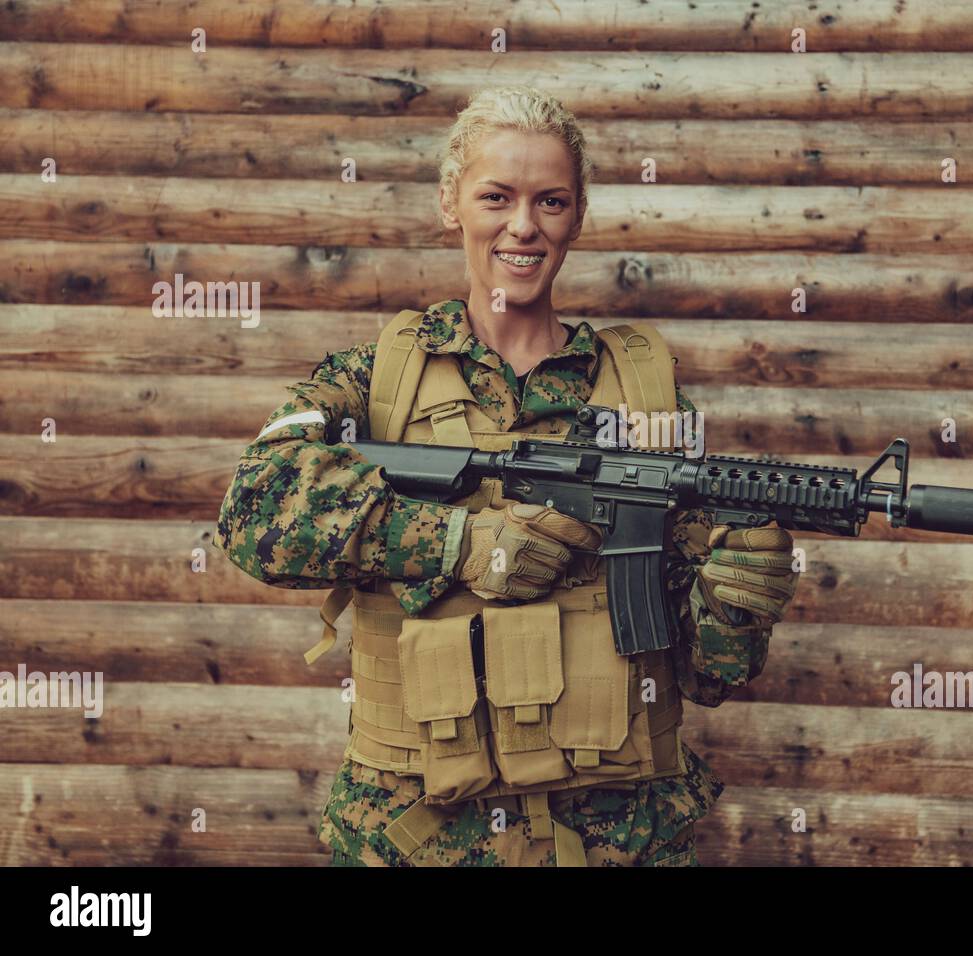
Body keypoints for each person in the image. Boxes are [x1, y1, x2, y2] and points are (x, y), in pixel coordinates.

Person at [216, 86, 800, 867]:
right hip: (416, 839)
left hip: (617, 842)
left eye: (550, 201)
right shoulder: (376, 379)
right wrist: (453, 540)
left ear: (578, 215)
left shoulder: (645, 398)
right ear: (450, 204)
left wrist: (737, 601)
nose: (524, 226)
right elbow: (253, 507)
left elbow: (705, 673)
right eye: (497, 197)